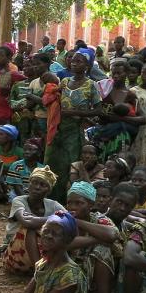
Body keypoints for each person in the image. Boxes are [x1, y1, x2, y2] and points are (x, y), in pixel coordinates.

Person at [63, 181, 121, 293]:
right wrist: (96, 238)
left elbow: (112, 234)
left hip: (93, 278)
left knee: (102, 251)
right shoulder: (62, 219)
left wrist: (77, 222)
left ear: (90, 205)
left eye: (79, 203)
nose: (72, 207)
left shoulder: (100, 219)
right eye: (69, 203)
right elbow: (63, 244)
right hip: (70, 276)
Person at [46, 53, 101, 204]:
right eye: (73, 61)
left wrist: (75, 113)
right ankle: (51, 199)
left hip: (76, 129)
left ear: (87, 66)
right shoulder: (64, 82)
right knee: (54, 163)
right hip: (58, 127)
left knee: (71, 164)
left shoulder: (91, 85)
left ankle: (69, 201)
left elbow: (98, 110)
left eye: (79, 61)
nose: (74, 63)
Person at [1, 166, 64, 275]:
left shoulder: (53, 205)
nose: (37, 187)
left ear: (48, 190)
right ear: (28, 185)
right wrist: (55, 218)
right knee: (29, 228)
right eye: (34, 183)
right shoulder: (19, 201)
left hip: (43, 251)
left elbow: (69, 219)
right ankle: (39, 271)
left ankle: (43, 269)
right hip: (16, 256)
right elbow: (27, 222)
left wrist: (36, 220)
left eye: (43, 185)